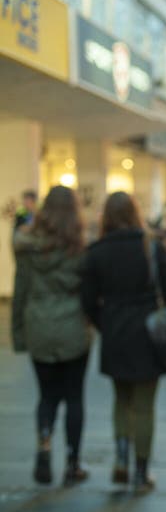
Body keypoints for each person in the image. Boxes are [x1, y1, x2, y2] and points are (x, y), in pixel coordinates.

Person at [80, 192, 166, 493]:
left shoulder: (97, 251)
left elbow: (87, 301)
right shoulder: (151, 245)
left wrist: (105, 324)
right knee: (145, 406)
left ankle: (121, 459)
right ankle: (141, 472)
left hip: (115, 332)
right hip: (147, 333)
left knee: (121, 400)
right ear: (135, 213)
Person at [12, 186, 92, 486]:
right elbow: (89, 291)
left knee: (46, 396)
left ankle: (44, 447)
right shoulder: (81, 246)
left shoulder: (28, 246)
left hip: (38, 326)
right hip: (73, 328)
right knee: (74, 397)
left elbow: (20, 291)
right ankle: (73, 462)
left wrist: (18, 334)